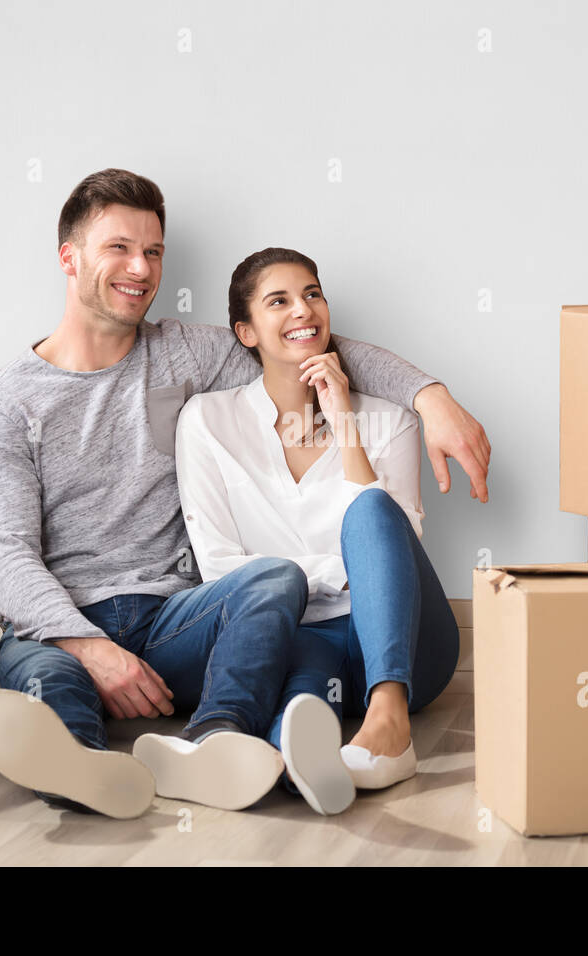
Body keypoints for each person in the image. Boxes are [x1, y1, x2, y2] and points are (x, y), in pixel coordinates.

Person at [0, 169, 490, 818]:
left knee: (273, 579)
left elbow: (304, 344)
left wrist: (426, 394)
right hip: (58, 626)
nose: (141, 267)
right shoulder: (5, 405)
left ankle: (214, 740)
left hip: (171, 620)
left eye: (154, 251)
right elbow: (9, 556)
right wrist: (89, 646)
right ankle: (83, 766)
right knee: (52, 681)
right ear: (69, 258)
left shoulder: (184, 353)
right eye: (118, 248)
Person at [135, 248, 460, 816]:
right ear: (246, 331)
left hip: (397, 642)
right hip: (299, 634)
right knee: (303, 705)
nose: (302, 310)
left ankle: (390, 722)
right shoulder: (207, 421)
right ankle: (288, 770)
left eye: (312, 294)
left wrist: (343, 424)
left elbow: (394, 545)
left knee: (371, 511)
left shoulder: (391, 419)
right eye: (278, 301)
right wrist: (338, 577)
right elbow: (218, 566)